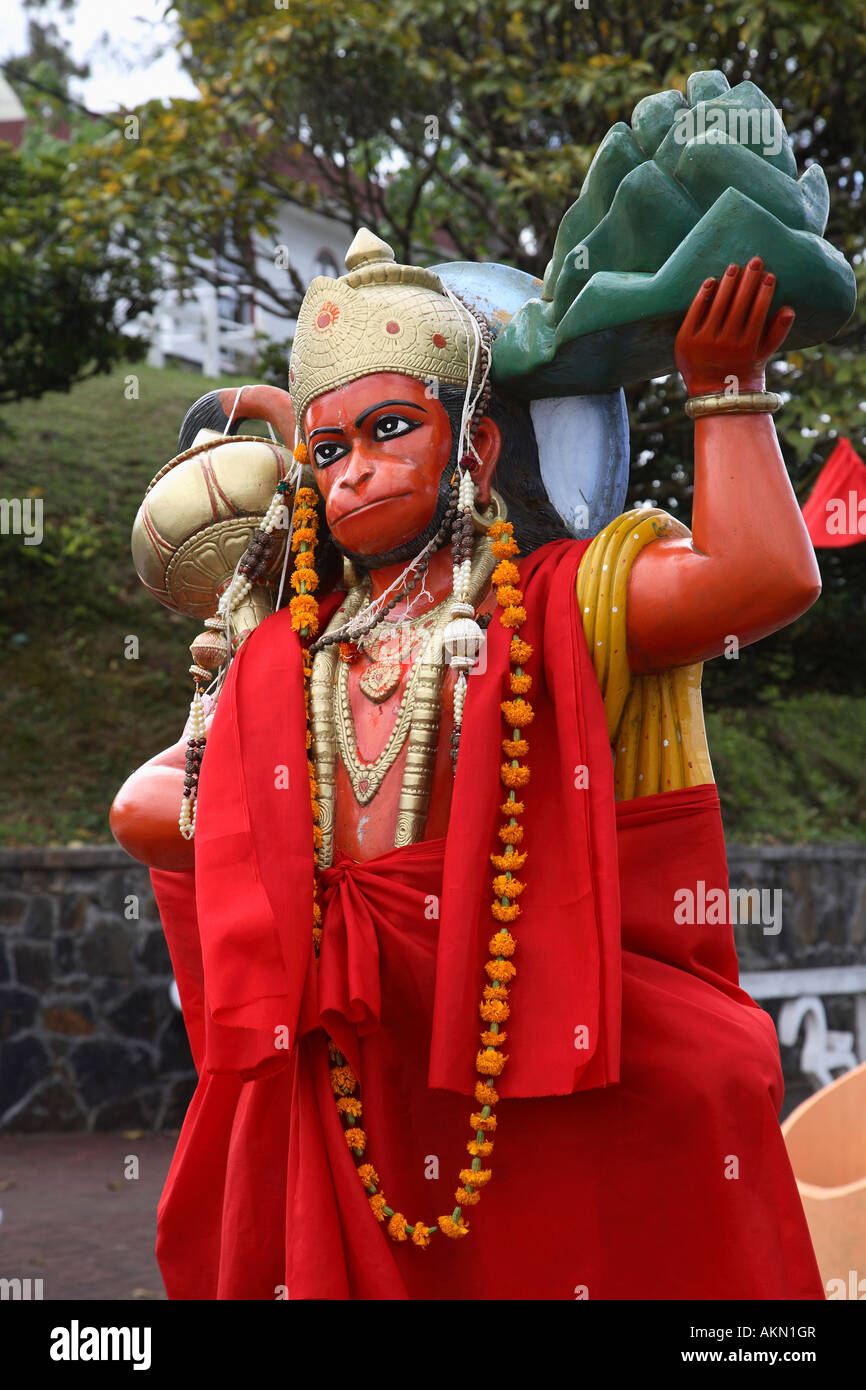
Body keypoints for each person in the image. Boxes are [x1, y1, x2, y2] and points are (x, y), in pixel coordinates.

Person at [112, 230, 824, 1300]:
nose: (353, 469)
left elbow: (757, 579)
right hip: (355, 1066)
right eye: (325, 448)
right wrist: (251, 756)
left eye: (390, 429)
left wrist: (724, 393)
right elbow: (143, 808)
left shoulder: (552, 603)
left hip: (511, 1039)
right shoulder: (286, 656)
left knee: (698, 1080)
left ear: (476, 452)